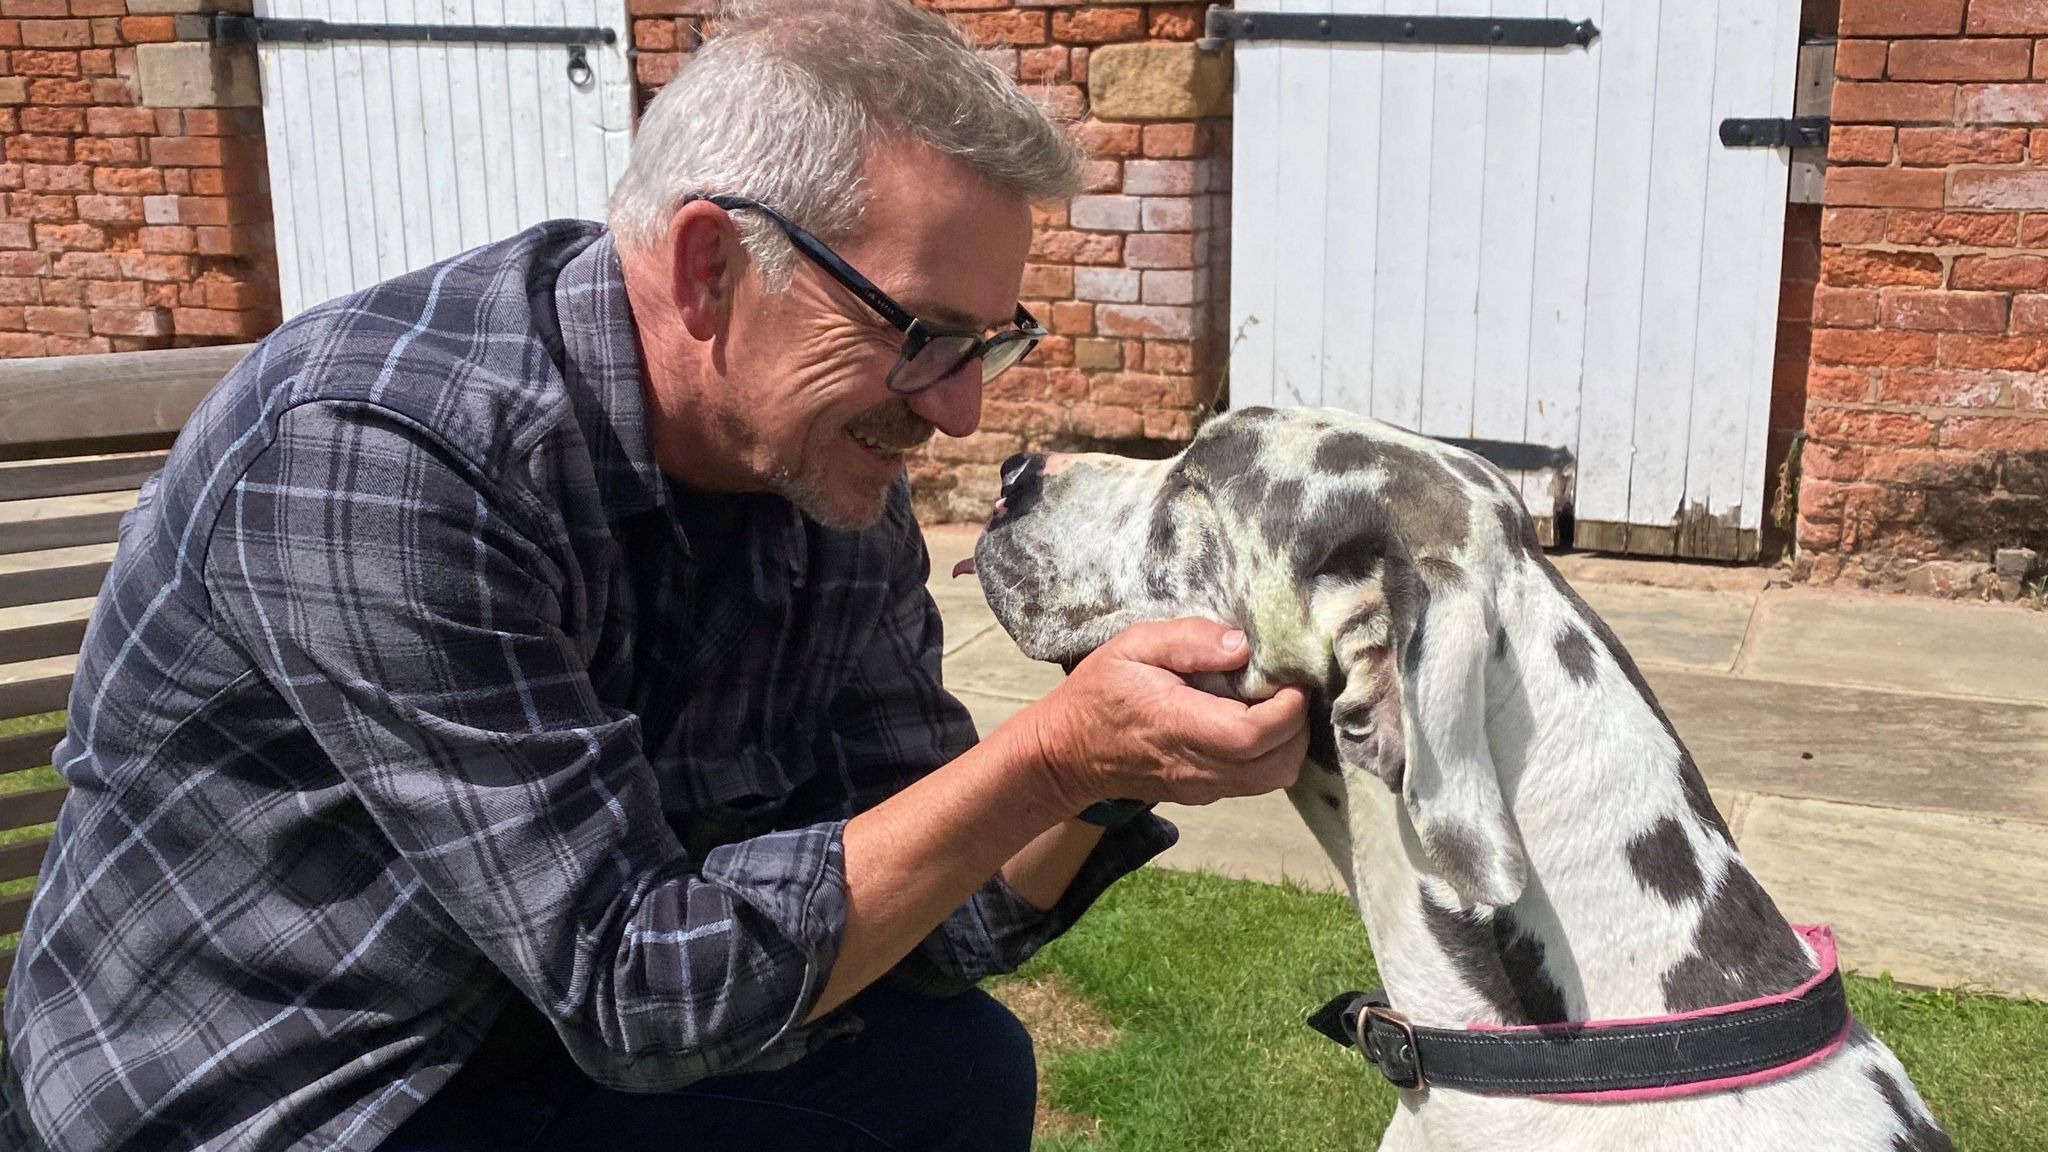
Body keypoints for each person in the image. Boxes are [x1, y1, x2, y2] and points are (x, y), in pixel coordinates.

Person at [0, 3, 1310, 1150]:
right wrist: (1052, 758)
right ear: (708, 267)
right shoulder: (385, 453)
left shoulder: (822, 476)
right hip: (281, 1096)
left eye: (986, 345)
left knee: (956, 1067)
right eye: (925, 334)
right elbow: (636, 993)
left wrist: (1109, 767)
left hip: (538, 1057)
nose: (960, 412)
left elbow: (925, 906)